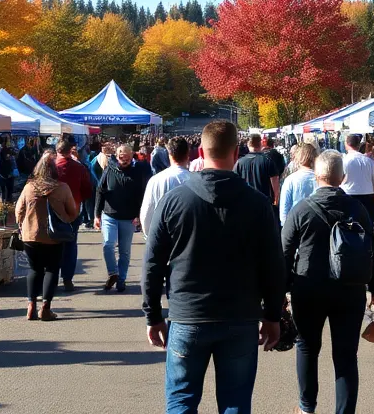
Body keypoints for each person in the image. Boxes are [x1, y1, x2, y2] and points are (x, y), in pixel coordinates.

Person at [143, 120, 286, 414]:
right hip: (240, 316)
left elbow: (153, 263)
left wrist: (153, 315)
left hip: (188, 314)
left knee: (182, 400)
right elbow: (273, 264)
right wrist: (272, 315)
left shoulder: (174, 201)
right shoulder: (257, 204)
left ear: (200, 151)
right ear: (237, 153)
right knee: (235, 401)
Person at [282, 150, 374, 414]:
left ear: (317, 177)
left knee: (306, 348)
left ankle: (307, 407)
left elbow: (283, 252)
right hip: (349, 289)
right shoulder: (357, 209)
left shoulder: (301, 210)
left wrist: (279, 291)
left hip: (308, 287)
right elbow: (370, 249)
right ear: (343, 177)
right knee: (346, 356)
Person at [16, 153, 79, 321]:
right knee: (52, 269)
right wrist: (65, 219)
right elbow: (72, 211)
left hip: (30, 235)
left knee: (34, 269)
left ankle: (31, 305)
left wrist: (23, 225)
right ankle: (46, 307)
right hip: (54, 235)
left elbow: (18, 210)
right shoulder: (62, 187)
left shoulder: (29, 187)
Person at [94, 144, 151, 292]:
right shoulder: (110, 168)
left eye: (126, 156)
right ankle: (113, 273)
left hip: (129, 217)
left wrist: (139, 215)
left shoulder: (139, 170)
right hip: (109, 215)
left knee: (124, 252)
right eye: (120, 155)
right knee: (108, 245)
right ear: (116, 155)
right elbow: (100, 190)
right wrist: (96, 215)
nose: (123, 159)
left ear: (132, 156)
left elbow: (143, 194)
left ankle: (121, 279)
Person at [55, 134, 94, 292]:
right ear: (70, 151)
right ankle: (67, 278)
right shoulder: (79, 168)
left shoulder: (51, 167)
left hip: (54, 212)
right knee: (70, 245)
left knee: (53, 244)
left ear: (57, 150)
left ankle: (51, 276)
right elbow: (87, 190)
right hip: (74, 211)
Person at [140, 137, 192, 237]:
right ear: (187, 154)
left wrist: (150, 235)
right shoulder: (194, 179)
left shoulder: (155, 180)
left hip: (161, 237)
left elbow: (147, 211)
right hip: (187, 238)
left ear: (169, 154)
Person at [339, 133, 374, 226]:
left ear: (346, 145)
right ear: (359, 145)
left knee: (348, 228)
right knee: (367, 226)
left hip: (348, 196)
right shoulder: (369, 162)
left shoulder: (343, 161)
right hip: (367, 198)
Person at [235, 134, 281, 206]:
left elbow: (235, 184)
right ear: (260, 144)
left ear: (248, 144)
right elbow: (275, 183)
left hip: (246, 203)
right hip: (264, 203)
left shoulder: (239, 162)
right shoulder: (267, 161)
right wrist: (276, 200)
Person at [279, 142, 318, 224]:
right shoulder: (320, 178)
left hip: (296, 224)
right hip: (318, 225)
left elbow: (284, 210)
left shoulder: (290, 180)